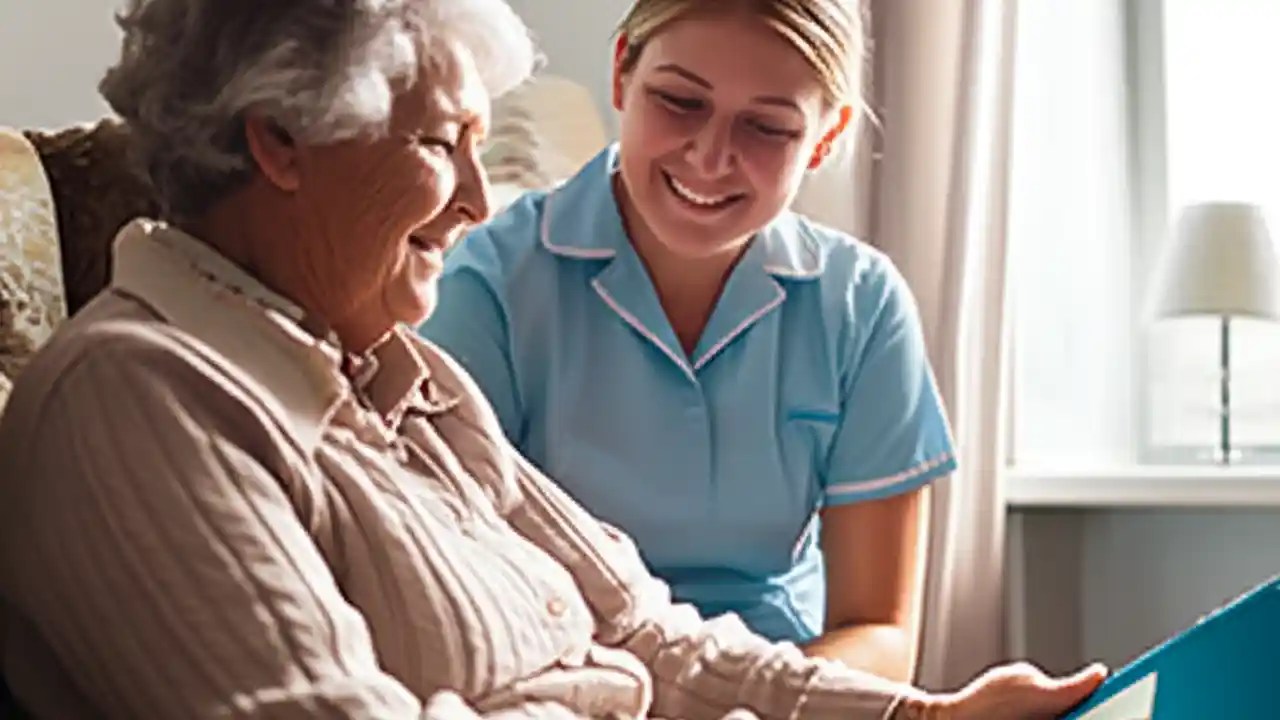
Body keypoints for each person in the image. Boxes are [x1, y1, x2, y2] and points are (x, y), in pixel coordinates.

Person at [0, 0, 1105, 717]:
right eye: (442, 146)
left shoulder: (402, 380)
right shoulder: (143, 402)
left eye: (483, 149)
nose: (480, 202)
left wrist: (926, 719)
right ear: (279, 141)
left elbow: (634, 625)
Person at [421, 0, 947, 680]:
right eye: (678, 101)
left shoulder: (861, 303)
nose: (711, 157)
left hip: (789, 691)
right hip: (569, 683)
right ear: (622, 75)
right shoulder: (489, 283)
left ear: (825, 136)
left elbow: (877, 631)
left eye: (766, 127)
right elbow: (462, 601)